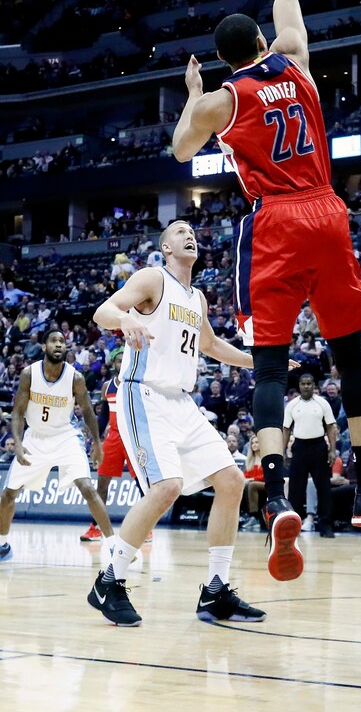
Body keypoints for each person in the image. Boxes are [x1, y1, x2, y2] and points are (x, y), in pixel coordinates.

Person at [171, 0, 361, 582]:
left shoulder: (224, 97)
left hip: (276, 221)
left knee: (271, 365)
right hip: (328, 210)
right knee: (350, 355)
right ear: (265, 42)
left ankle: (273, 492)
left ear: (223, 58)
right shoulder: (298, 61)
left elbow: (183, 149)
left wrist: (192, 101)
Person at [86, 220, 267, 626]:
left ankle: (216, 592)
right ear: (166, 247)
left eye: (193, 233)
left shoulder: (197, 298)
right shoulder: (153, 278)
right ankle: (109, 581)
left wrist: (259, 361)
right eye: (180, 231)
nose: (190, 235)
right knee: (166, 487)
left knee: (232, 481)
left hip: (182, 402)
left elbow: (211, 345)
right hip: (144, 393)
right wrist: (125, 319)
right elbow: (103, 311)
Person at [0, 328, 115, 562]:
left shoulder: (76, 378)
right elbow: (18, 412)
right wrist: (19, 443)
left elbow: (87, 412)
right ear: (44, 347)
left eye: (62, 341)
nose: (59, 344)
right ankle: (2, 545)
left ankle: (114, 545)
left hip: (66, 437)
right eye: (53, 341)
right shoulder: (29, 374)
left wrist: (97, 442)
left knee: (87, 488)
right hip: (36, 438)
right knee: (8, 495)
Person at [79, 348, 153, 546]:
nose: (121, 363)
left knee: (142, 485)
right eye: (118, 360)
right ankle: (96, 528)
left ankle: (146, 528)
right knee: (102, 484)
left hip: (135, 437)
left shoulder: (139, 384)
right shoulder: (106, 386)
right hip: (113, 437)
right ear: (113, 363)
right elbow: (103, 416)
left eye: (124, 360)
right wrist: (96, 441)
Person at [283, 373, 337, 538]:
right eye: (303, 383)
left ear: (314, 385)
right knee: (295, 489)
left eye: (309, 383)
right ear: (299, 385)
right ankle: (294, 525)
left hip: (318, 446)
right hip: (299, 446)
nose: (306, 386)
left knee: (323, 487)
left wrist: (332, 449)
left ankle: (325, 525)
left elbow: (331, 426)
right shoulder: (291, 405)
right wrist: (283, 449)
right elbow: (286, 429)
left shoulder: (322, 403)